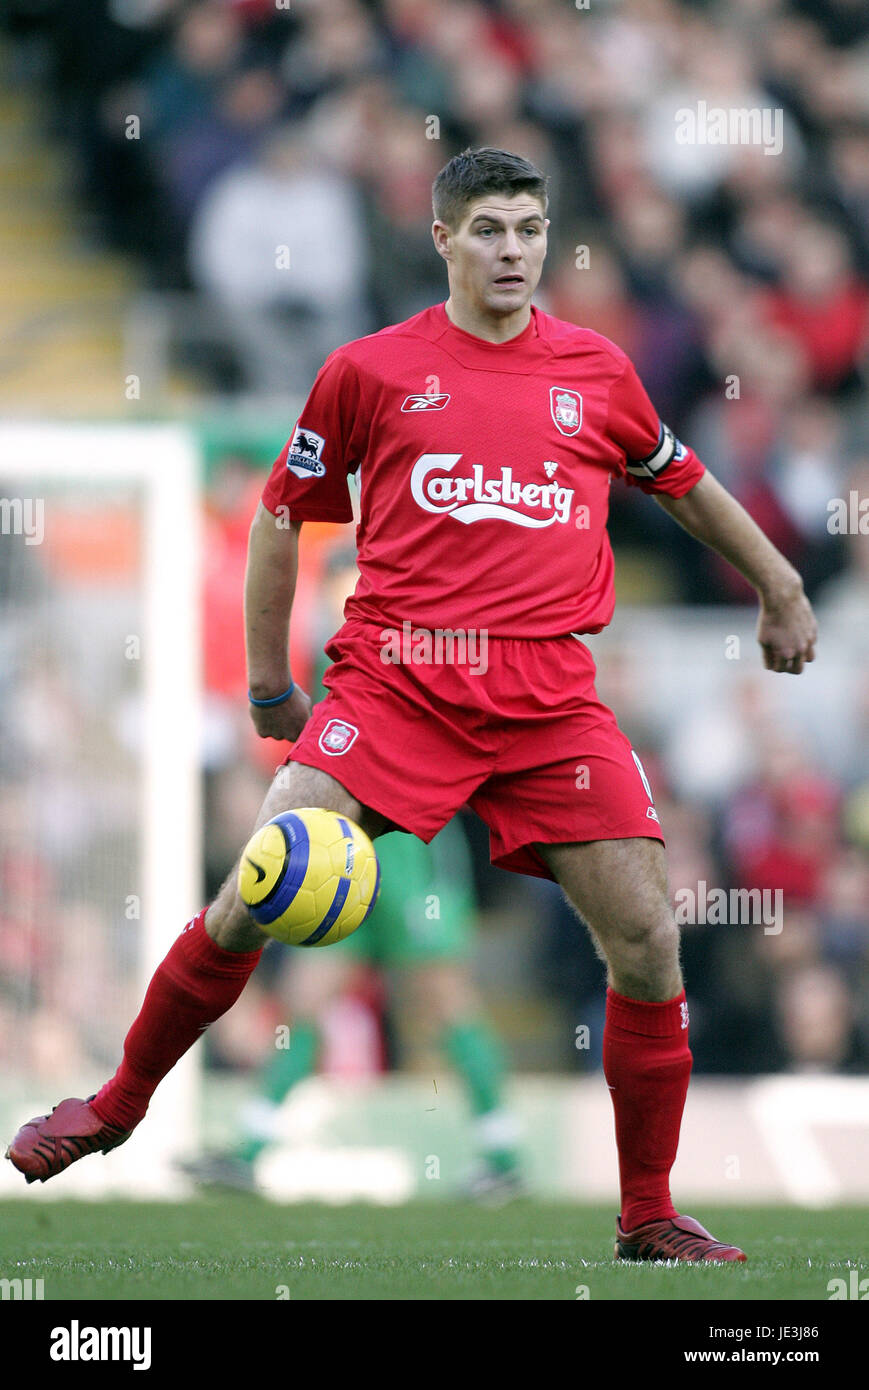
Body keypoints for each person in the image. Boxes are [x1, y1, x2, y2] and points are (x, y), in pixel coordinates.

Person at [7, 148, 817, 1264]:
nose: (513, 252)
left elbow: (683, 485)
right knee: (258, 888)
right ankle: (117, 1105)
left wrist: (776, 584)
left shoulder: (596, 373)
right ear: (442, 239)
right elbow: (283, 518)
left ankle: (644, 1212)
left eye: (530, 230)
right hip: (398, 684)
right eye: (488, 230)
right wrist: (268, 685)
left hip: (547, 698)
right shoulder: (371, 373)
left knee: (646, 938)